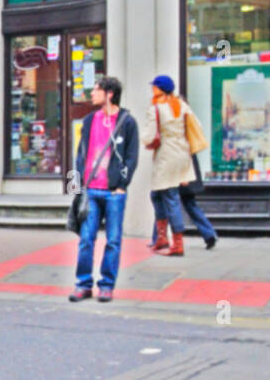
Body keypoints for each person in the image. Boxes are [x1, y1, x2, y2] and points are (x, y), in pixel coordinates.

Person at [69, 76, 139, 303]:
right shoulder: (89, 120)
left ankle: (106, 285)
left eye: (96, 90)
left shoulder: (127, 122)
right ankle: (83, 284)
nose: (91, 93)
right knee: (86, 240)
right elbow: (81, 153)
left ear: (109, 94)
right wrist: (78, 183)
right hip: (90, 190)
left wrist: (121, 185)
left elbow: (131, 157)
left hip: (113, 192)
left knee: (113, 241)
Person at [143, 75, 198, 257]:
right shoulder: (181, 104)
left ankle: (177, 243)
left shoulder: (156, 108)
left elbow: (149, 136)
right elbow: (195, 125)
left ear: (160, 89)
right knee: (157, 194)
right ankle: (161, 238)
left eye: (154, 86)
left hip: (166, 155)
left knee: (170, 196)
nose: (152, 89)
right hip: (182, 154)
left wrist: (146, 141)